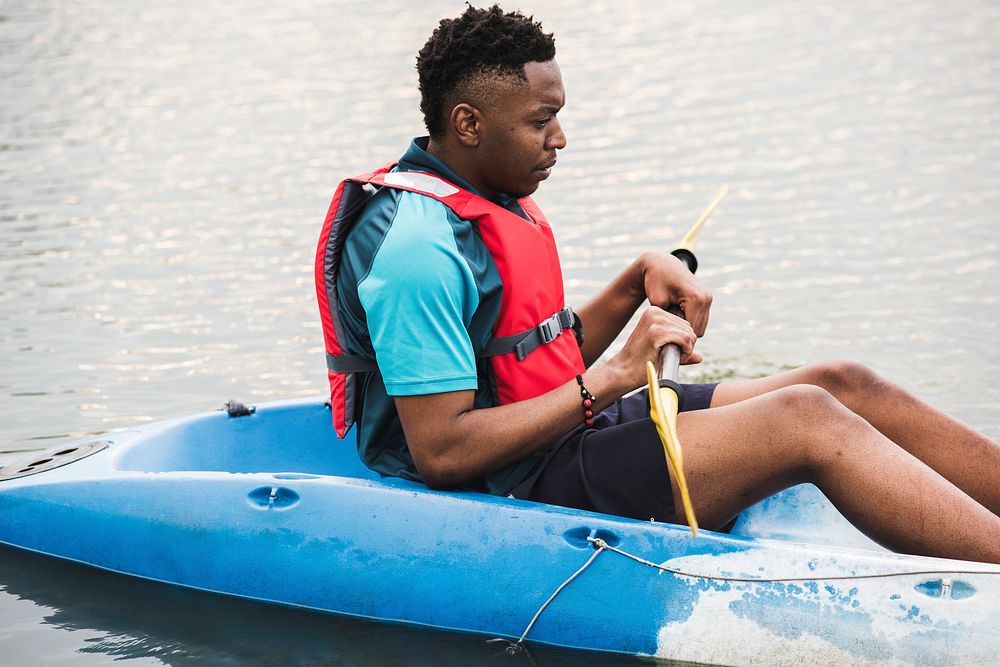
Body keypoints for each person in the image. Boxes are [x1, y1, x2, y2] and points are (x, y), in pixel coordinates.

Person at [316, 4, 1000, 564]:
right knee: (807, 419)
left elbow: (530, 358)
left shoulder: (487, 190)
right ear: (469, 123)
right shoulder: (415, 250)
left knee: (843, 382)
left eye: (557, 114)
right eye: (539, 120)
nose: (559, 138)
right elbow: (444, 453)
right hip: (515, 481)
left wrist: (636, 278)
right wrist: (614, 376)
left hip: (565, 431)